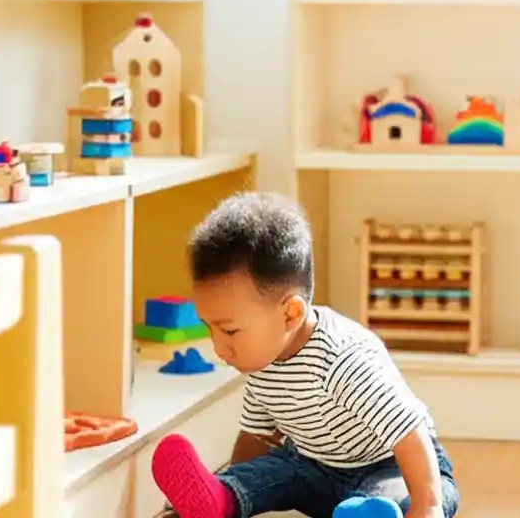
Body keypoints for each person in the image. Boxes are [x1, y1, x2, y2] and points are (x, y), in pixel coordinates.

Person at [149, 192, 460, 518]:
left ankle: (374, 512)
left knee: (395, 494)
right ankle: (219, 498)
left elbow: (410, 432)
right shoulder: (262, 359)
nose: (218, 347)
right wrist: (238, 487)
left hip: (390, 465)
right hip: (314, 467)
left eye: (229, 331)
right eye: (209, 329)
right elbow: (258, 437)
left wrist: (429, 505)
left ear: (290, 314)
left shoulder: (342, 360)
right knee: (279, 467)